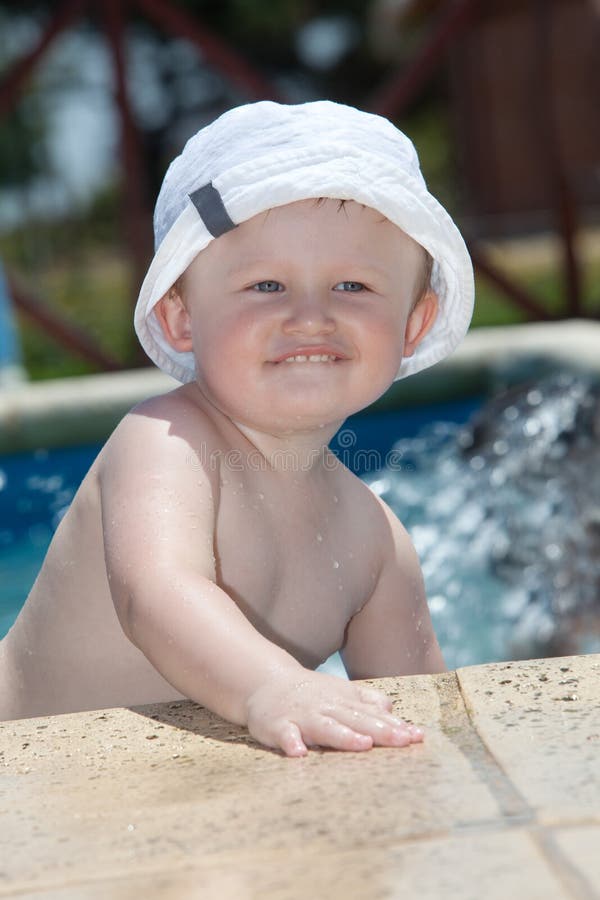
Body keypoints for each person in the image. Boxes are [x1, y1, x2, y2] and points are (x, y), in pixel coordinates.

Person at [0, 101, 474, 756]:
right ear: (182, 320)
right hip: (23, 775)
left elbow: (428, 723)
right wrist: (271, 687)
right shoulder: (165, 444)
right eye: (267, 285)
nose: (310, 316)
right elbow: (156, 593)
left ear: (413, 326)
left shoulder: (377, 549)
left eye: (353, 286)